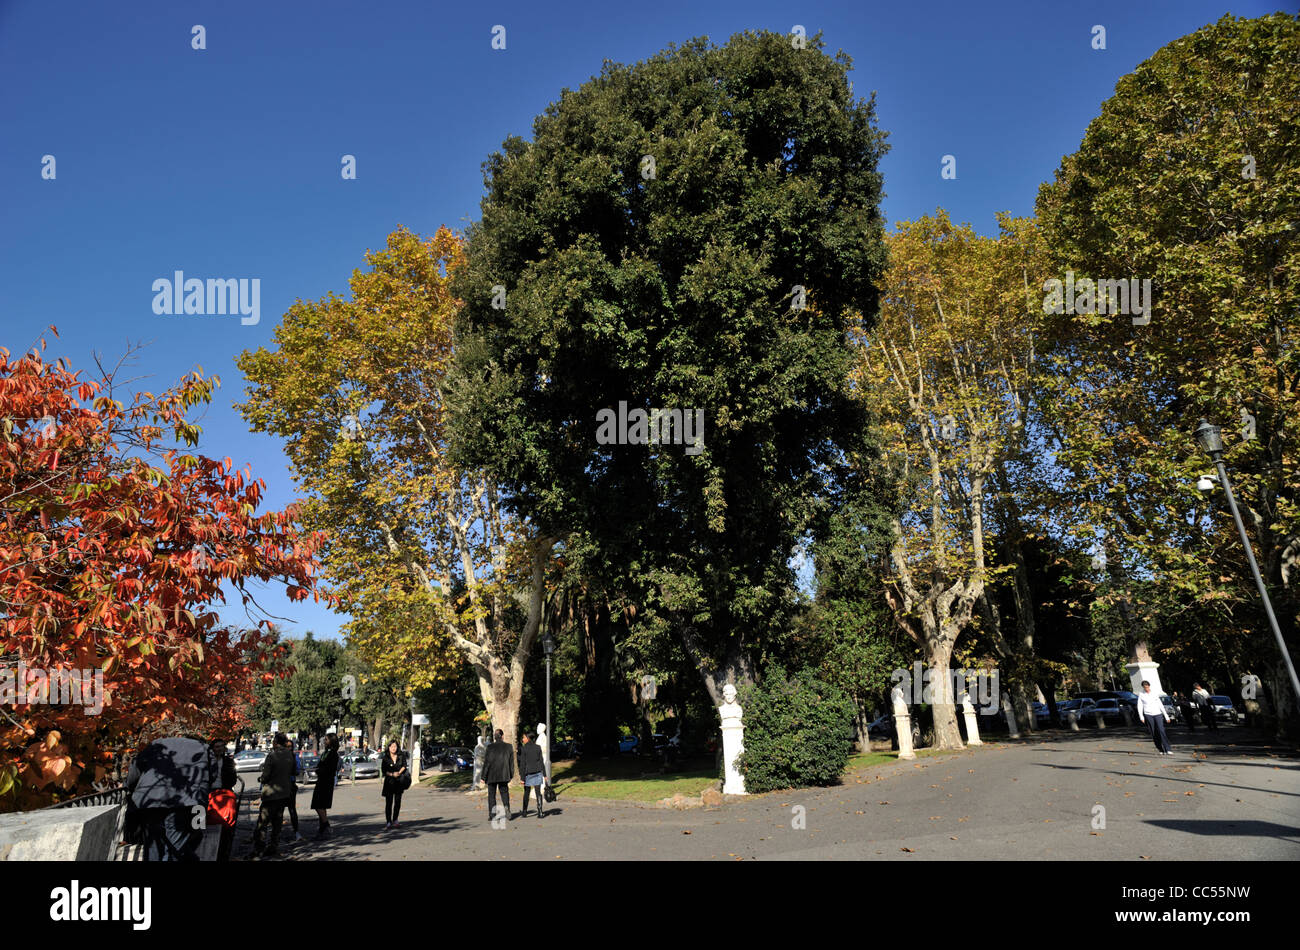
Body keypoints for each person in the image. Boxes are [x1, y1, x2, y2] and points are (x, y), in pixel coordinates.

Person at [124, 736, 216, 861]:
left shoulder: (156, 744)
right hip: (187, 803)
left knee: (153, 845)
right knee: (178, 843)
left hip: (150, 801)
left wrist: (130, 787)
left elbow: (134, 771)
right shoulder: (203, 747)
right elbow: (213, 775)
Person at [252, 733, 296, 858]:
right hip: (284, 793)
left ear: (276, 742)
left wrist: (261, 779)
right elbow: (294, 771)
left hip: (271, 793)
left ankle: (259, 848)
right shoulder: (290, 754)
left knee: (263, 822)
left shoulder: (272, 755)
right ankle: (273, 846)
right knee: (277, 822)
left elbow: (265, 776)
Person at [209, 738, 238, 862]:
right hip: (208, 793)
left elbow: (233, 779)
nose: (219, 749)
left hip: (224, 792)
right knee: (201, 823)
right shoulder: (206, 761)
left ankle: (222, 852)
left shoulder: (228, 761)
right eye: (216, 746)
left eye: (221, 746)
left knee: (225, 822)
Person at [482, 728, 514, 823]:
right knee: (504, 792)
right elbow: (511, 763)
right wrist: (511, 774)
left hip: (492, 774)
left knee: (491, 795)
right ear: (502, 736)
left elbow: (487, 763)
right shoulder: (509, 747)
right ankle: (506, 806)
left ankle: (492, 814)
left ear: (494, 737)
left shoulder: (490, 747)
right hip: (504, 774)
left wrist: (483, 777)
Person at [312, 734, 341, 836]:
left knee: (318, 804)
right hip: (321, 780)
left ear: (332, 741)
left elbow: (330, 769)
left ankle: (326, 825)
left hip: (326, 781)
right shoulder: (326, 752)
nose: (324, 741)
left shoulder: (333, 754)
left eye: (326, 740)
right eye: (324, 739)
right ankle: (322, 828)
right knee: (320, 805)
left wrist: (319, 771)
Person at [1136, 681, 1172, 755]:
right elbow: (1140, 706)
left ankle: (1167, 749)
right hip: (1148, 715)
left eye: (1147, 687)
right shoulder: (1141, 694)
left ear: (1149, 686)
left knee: (1161, 730)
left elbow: (1160, 704)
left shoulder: (1154, 693)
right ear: (1143, 687)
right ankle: (1160, 749)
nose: (1147, 689)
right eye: (1145, 687)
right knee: (1153, 732)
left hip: (1158, 714)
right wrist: (1141, 716)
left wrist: (1166, 715)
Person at [381, 740, 408, 829]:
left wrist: (399, 773)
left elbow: (404, 765)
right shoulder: (385, 758)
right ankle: (388, 821)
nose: (393, 748)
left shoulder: (401, 755)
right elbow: (384, 770)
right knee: (389, 803)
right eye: (392, 746)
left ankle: (395, 819)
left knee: (397, 802)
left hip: (399, 781)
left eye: (395, 746)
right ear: (388, 747)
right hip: (389, 782)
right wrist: (392, 774)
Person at [519, 731, 546, 819]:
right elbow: (541, 762)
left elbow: (522, 764)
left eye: (524, 737)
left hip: (528, 773)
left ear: (528, 738)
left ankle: (524, 811)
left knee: (526, 793)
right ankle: (540, 812)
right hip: (538, 772)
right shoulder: (538, 747)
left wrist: (522, 778)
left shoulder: (523, 749)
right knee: (538, 793)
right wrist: (544, 775)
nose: (522, 739)